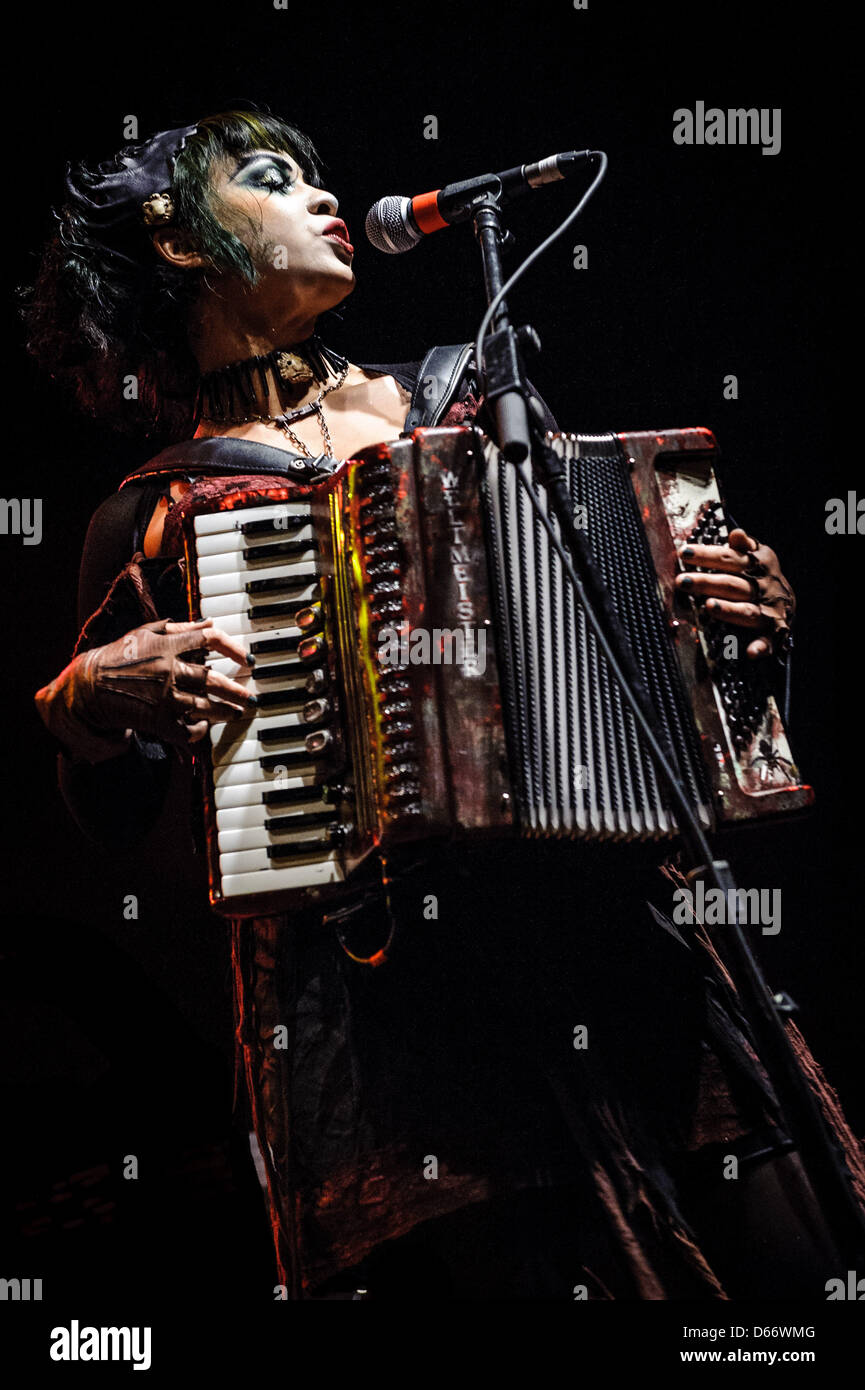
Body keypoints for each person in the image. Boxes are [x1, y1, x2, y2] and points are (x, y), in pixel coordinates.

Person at [28, 108, 865, 1300]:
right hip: (400, 1019)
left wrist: (733, 610)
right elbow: (108, 809)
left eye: (319, 175)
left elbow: (626, 626)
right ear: (176, 242)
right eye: (272, 180)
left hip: (618, 943)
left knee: (793, 1267)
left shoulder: (467, 398)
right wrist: (81, 696)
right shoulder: (155, 515)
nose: (324, 197)